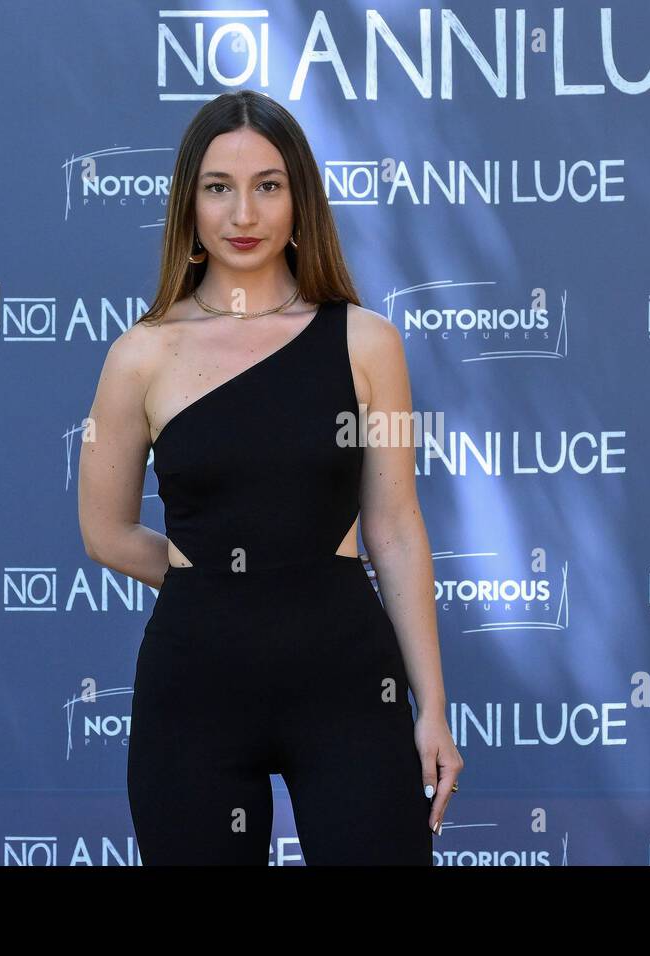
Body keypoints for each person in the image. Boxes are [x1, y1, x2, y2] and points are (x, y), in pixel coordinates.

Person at [77, 90, 462, 865]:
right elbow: (106, 533)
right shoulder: (140, 355)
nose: (243, 213)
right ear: (189, 204)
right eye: (219, 187)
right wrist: (212, 582)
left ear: (300, 200)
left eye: (268, 185)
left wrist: (433, 710)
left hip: (350, 686)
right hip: (194, 694)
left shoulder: (367, 342)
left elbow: (394, 527)